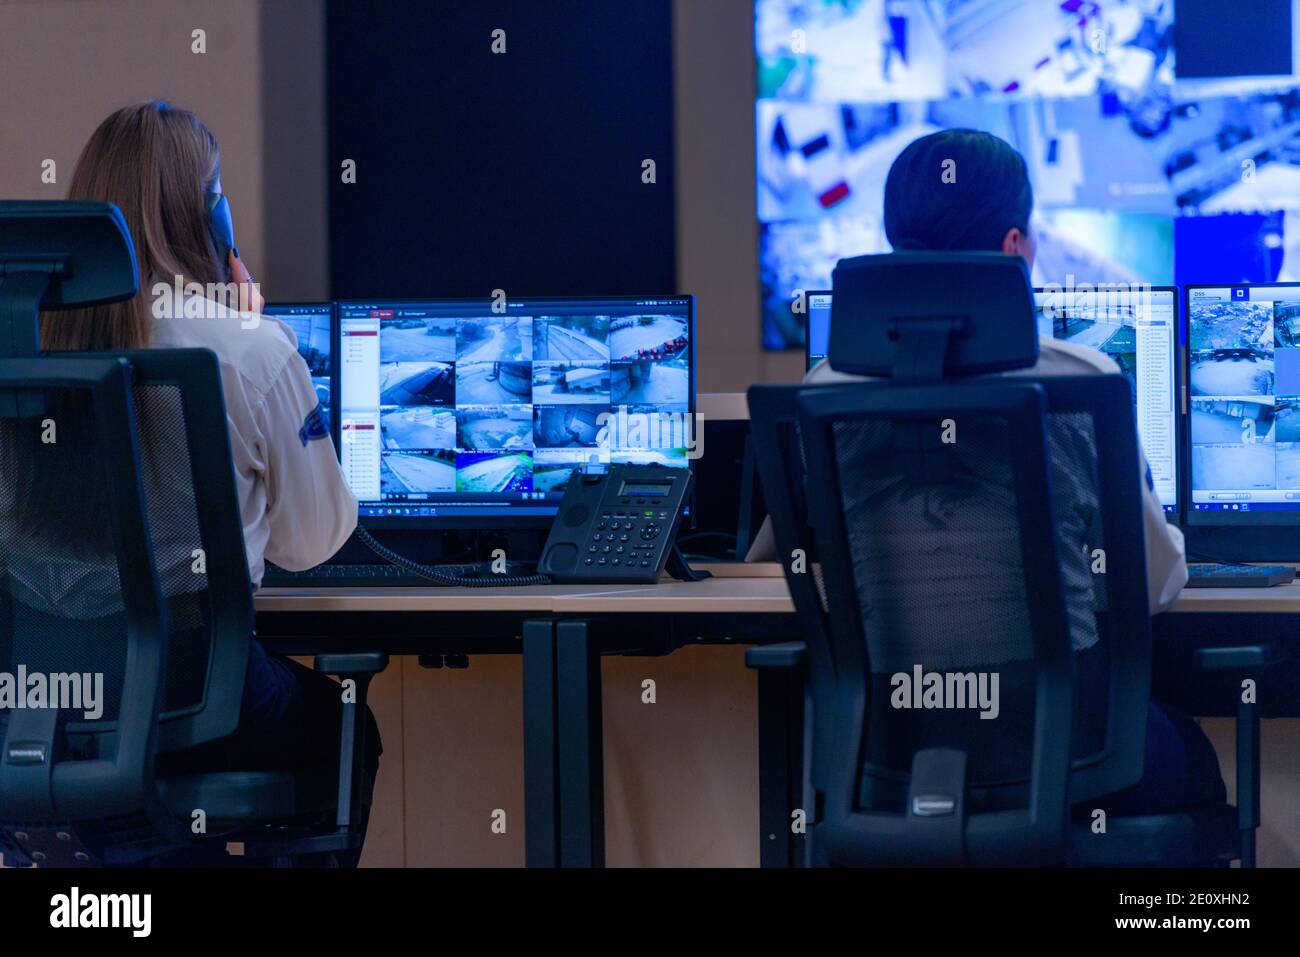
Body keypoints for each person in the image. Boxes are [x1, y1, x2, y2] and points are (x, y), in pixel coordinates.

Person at [802, 128, 1224, 817]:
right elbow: (1153, 583)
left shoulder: (826, 391)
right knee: (1193, 760)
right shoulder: (1081, 379)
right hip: (1066, 753)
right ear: (1013, 247)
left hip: (885, 754)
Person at [43, 100, 380, 861]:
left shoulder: (28, 349)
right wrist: (257, 339)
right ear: (207, 217)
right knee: (341, 723)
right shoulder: (248, 349)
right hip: (194, 696)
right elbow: (309, 542)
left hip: (51, 707)